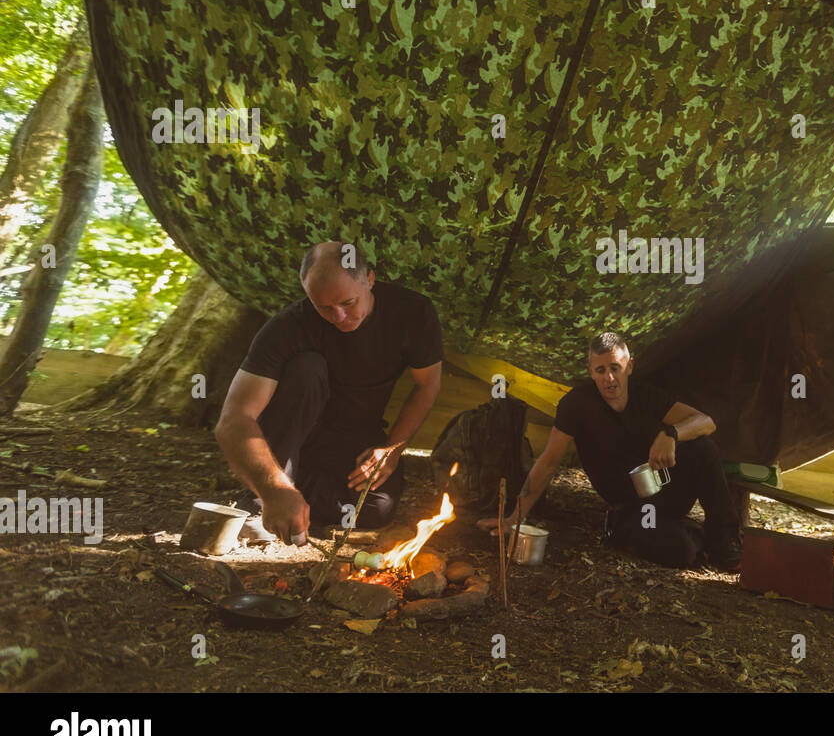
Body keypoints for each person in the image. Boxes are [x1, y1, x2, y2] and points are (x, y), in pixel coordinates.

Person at [215, 241, 444, 543]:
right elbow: (233, 420)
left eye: (348, 303)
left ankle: (292, 496)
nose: (338, 317)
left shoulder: (412, 312)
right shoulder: (286, 328)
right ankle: (265, 497)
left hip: (354, 433)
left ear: (370, 280)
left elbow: (427, 385)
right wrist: (273, 489)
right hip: (290, 437)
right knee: (307, 367)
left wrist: (392, 449)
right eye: (323, 307)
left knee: (376, 509)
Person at [477, 332, 742, 571]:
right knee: (681, 552)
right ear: (591, 372)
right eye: (601, 370)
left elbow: (706, 422)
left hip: (665, 492)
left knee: (702, 447)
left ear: (630, 366)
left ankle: (724, 544)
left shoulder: (647, 396)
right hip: (630, 508)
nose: (609, 378)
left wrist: (671, 434)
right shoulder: (576, 405)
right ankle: (685, 535)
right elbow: (548, 462)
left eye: (615, 368)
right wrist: (515, 516)